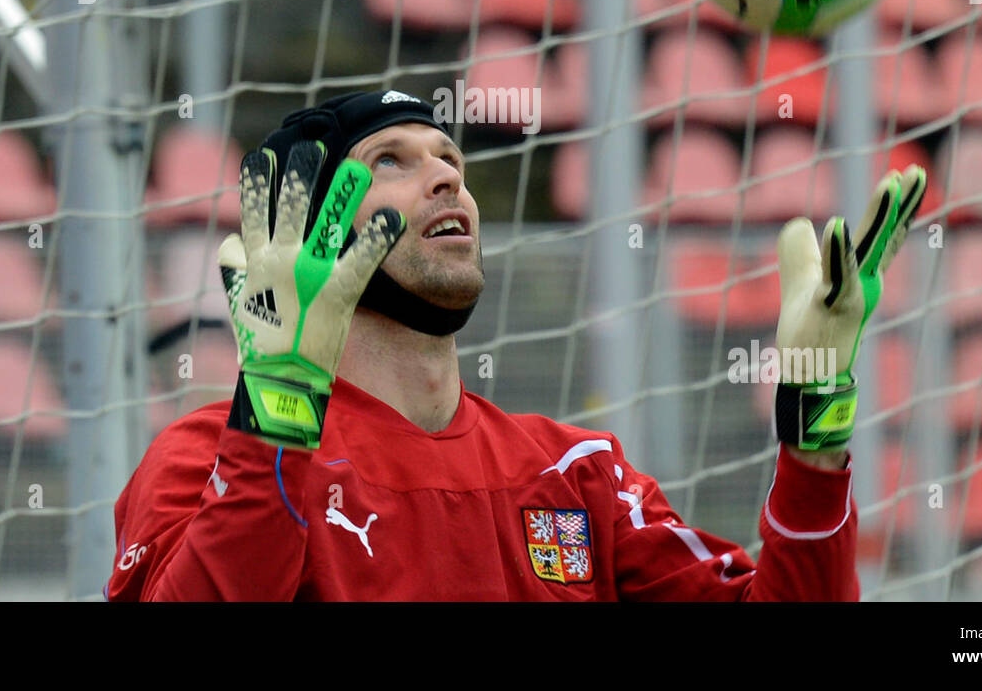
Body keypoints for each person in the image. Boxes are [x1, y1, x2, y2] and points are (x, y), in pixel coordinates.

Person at [108, 89, 925, 601]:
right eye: (389, 161)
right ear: (305, 234)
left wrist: (816, 431)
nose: (446, 180)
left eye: (450, 160)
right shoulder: (209, 454)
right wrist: (279, 412)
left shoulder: (579, 474)